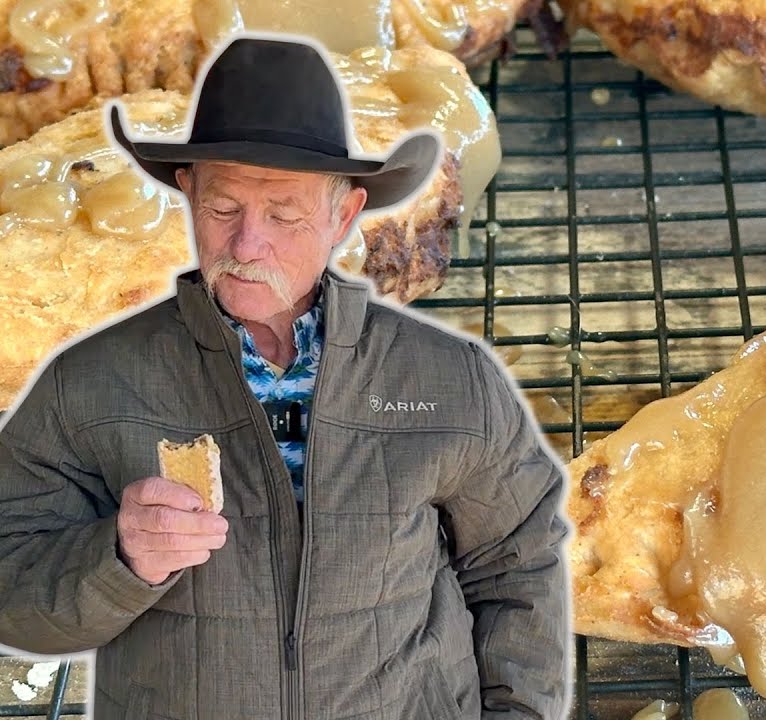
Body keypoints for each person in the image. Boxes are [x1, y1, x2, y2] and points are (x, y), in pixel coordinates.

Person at [0, 35, 569, 719]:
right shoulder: (92, 380)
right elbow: (11, 588)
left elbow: (519, 566)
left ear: (343, 216)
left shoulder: (447, 377)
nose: (247, 245)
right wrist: (119, 560)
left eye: (283, 214)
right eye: (223, 209)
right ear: (188, 193)